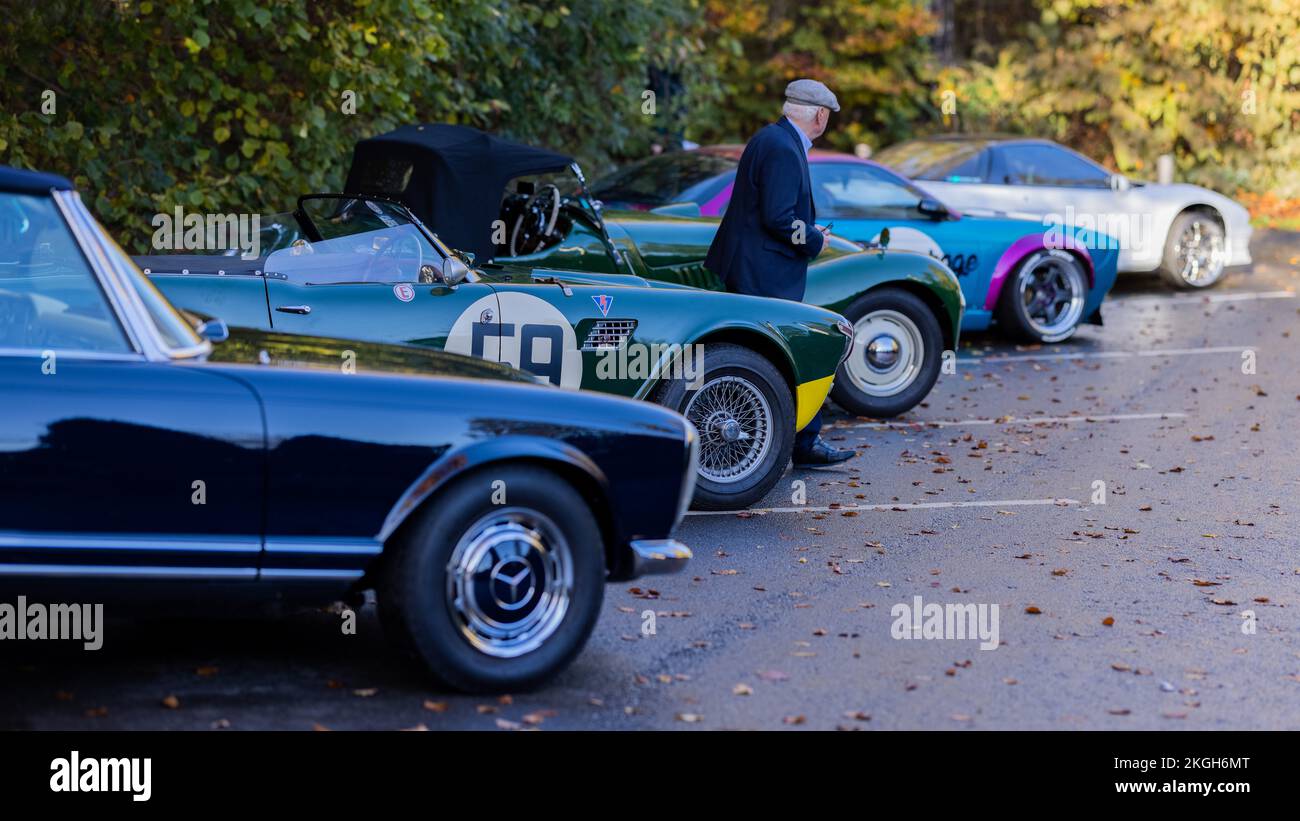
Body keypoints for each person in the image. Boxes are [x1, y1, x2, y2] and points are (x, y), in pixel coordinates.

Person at [704, 79, 855, 468]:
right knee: (784, 353)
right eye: (829, 117)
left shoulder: (769, 138)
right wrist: (815, 241)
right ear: (820, 115)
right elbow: (778, 218)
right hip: (765, 271)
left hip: (753, 266)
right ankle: (801, 444)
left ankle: (782, 440)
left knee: (757, 356)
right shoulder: (784, 148)